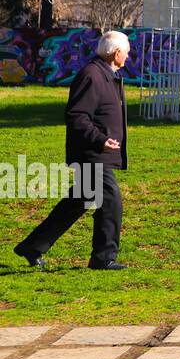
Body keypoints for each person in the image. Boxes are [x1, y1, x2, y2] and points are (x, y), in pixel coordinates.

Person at [14, 31, 131, 270]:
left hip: (98, 153)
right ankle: (103, 257)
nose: (128, 57)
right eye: (126, 53)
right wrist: (100, 140)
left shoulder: (108, 75)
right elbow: (77, 116)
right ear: (116, 53)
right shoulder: (92, 76)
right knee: (110, 200)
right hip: (92, 154)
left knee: (78, 201)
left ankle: (32, 246)